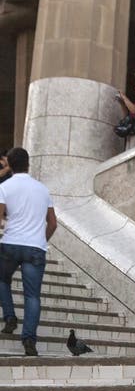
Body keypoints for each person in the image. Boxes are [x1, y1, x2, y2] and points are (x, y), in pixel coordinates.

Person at [0, 147, 57, 356]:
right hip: (35, 247)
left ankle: (10, 317)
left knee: (2, 279)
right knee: (32, 296)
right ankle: (29, 341)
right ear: (28, 164)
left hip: (11, 244)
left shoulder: (5, 187)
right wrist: (40, 240)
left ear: (10, 166)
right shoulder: (42, 189)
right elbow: (52, 223)